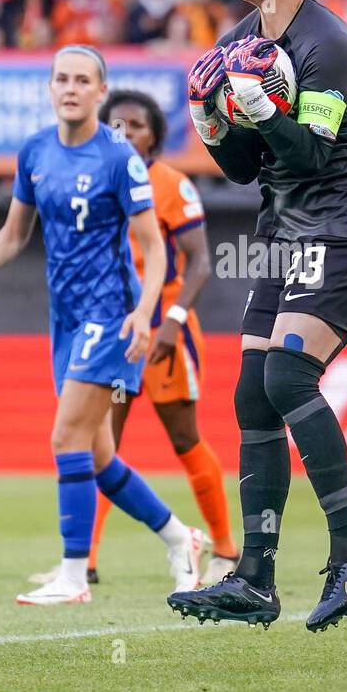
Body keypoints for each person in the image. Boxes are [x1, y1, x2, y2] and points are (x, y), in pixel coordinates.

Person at [167, 0, 347, 631]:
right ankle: (255, 580)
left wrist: (261, 110)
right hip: (290, 221)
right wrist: (211, 122)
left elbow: (314, 147)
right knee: (251, 395)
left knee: (290, 377)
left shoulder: (327, 42)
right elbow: (240, 168)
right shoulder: (240, 41)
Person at [0, 45, 207, 607]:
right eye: (61, 78)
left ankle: (73, 575)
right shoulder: (35, 151)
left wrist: (143, 311)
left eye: (83, 80)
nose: (70, 88)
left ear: (100, 92)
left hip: (110, 315)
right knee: (100, 459)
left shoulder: (118, 158)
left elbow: (155, 250)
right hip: (64, 317)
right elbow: (16, 233)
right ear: (50, 86)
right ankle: (182, 541)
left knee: (65, 438)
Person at [54, 89, 238, 586]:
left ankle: (225, 548)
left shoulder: (172, 184)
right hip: (111, 334)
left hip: (162, 332)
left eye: (136, 124)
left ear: (154, 133)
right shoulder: (92, 184)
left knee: (184, 437)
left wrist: (174, 319)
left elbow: (200, 261)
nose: (126, 132)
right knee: (98, 442)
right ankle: (84, 560)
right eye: (117, 124)